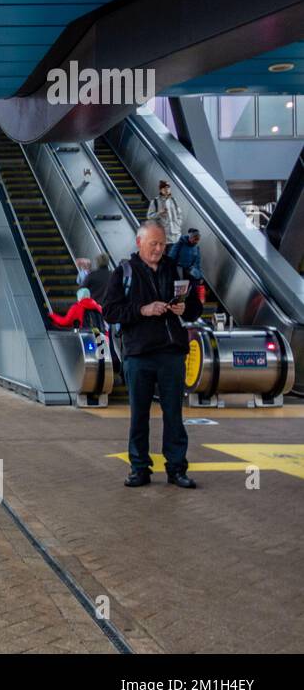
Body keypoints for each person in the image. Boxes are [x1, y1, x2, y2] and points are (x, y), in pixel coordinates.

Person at [101, 220, 202, 489]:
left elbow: (195, 307)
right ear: (139, 243)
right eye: (153, 244)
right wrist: (142, 310)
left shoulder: (177, 269)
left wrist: (186, 310)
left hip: (171, 353)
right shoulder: (124, 272)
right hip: (139, 354)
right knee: (139, 414)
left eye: (162, 244)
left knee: (174, 414)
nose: (158, 249)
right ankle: (139, 469)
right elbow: (109, 311)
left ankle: (177, 469)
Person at [168, 228, 204, 304]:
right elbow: (171, 256)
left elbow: (197, 263)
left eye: (198, 240)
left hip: (189, 270)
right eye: (195, 239)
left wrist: (200, 276)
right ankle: (176, 301)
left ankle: (184, 302)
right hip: (179, 268)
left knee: (190, 286)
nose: (196, 242)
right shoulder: (180, 244)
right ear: (190, 237)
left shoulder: (196, 248)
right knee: (179, 286)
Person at [147, 180, 183, 247]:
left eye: (168, 188)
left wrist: (179, 223)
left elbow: (179, 214)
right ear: (160, 190)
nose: (166, 189)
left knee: (176, 256)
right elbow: (149, 216)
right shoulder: (155, 201)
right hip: (163, 235)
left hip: (176, 235)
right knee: (165, 256)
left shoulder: (173, 200)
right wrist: (159, 212)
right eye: (164, 188)